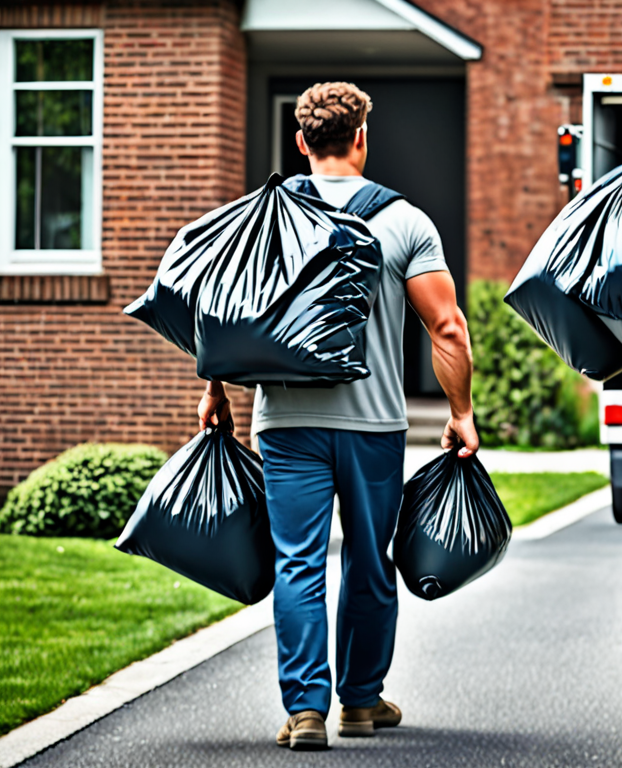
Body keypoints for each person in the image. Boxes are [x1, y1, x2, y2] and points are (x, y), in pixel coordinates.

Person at [196, 81, 479, 751]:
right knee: (369, 561)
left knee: (298, 562)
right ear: (361, 138)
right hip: (373, 425)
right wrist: (462, 412)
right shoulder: (403, 221)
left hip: (285, 424)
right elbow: (448, 329)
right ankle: (358, 700)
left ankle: (304, 712)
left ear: (300, 143)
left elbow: (223, 316)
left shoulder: (262, 218)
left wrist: (213, 391)